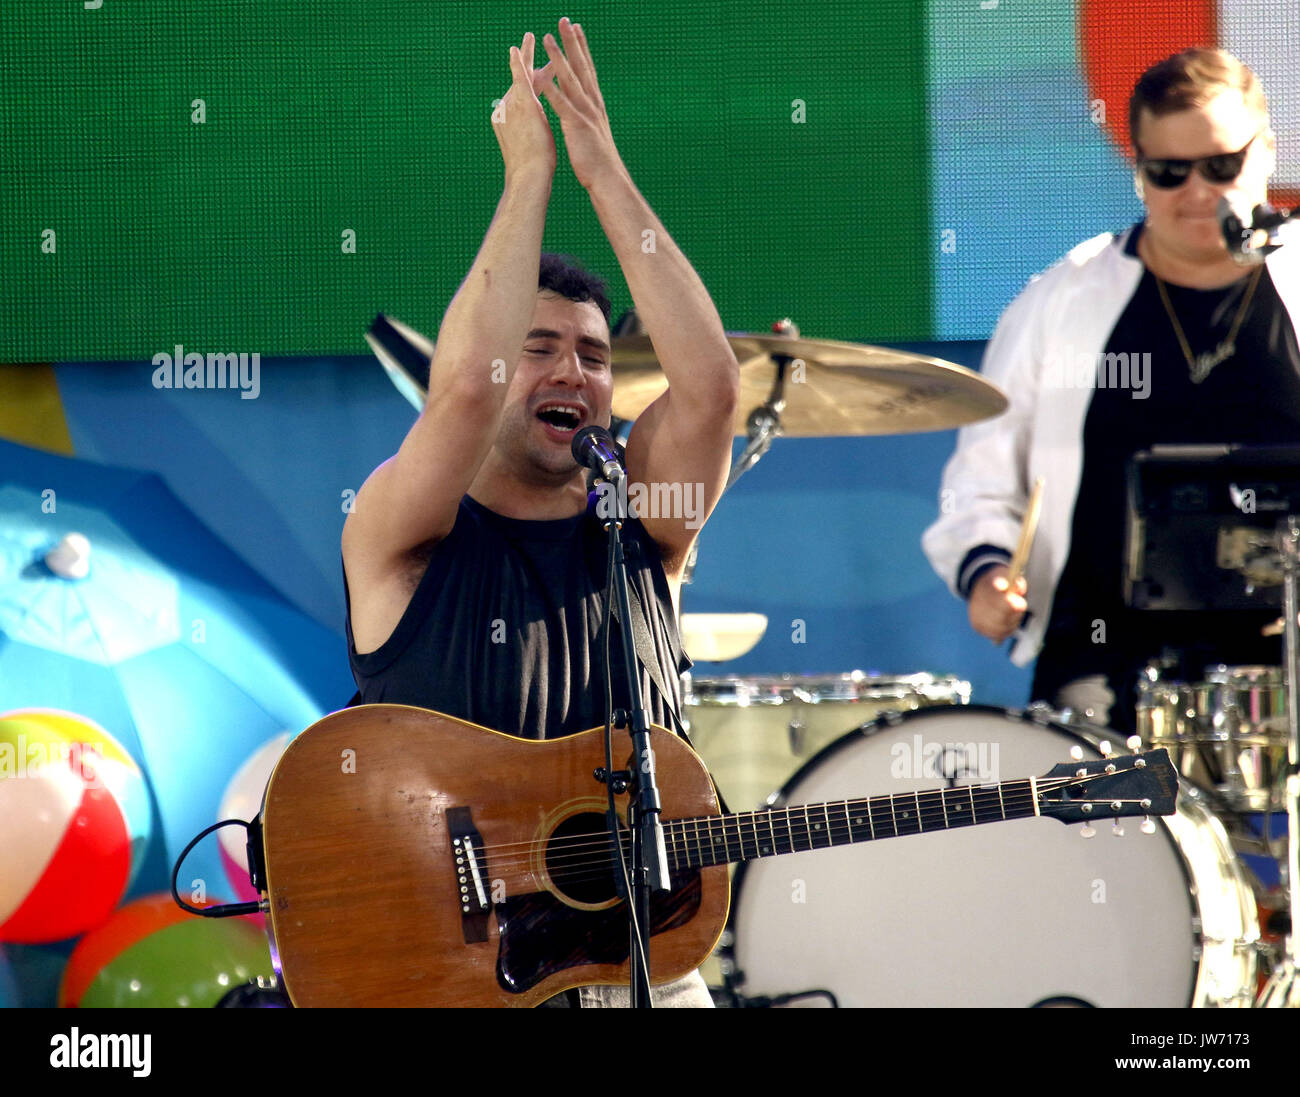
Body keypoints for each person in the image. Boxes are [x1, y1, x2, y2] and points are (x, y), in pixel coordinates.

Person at [340, 21, 737, 1007]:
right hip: (453, 963)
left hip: (642, 957)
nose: (573, 371)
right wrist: (527, 176)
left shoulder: (645, 518)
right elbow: (466, 391)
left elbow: (712, 389)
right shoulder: (403, 528)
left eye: (595, 355)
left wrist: (602, 170)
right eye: (540, 347)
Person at [923, 47, 1300, 734]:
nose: (1197, 193)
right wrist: (985, 573)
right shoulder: (1061, 299)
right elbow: (980, 481)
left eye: (1222, 166)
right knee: (1090, 816)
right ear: (1138, 173)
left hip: (1286, 639)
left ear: (1268, 150)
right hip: (1105, 648)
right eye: (1168, 172)